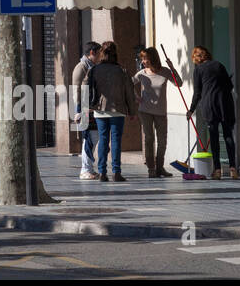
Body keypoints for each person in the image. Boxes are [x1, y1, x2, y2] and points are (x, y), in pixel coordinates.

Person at [187, 45, 239, 179]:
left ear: (196, 58)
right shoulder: (219, 65)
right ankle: (233, 168)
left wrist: (191, 109)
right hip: (225, 104)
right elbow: (229, 85)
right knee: (228, 135)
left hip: (210, 105)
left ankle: (217, 170)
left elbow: (197, 93)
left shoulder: (198, 70)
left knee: (214, 138)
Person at [87, 41, 137, 181]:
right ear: (116, 53)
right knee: (116, 140)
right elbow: (129, 92)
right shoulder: (122, 70)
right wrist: (132, 111)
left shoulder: (95, 70)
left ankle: (102, 172)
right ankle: (116, 172)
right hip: (118, 109)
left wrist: (88, 106)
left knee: (103, 139)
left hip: (100, 109)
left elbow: (86, 87)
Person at [133, 47, 173, 178]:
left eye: (145, 58)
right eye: (142, 58)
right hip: (145, 111)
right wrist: (136, 96)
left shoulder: (165, 72)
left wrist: (172, 68)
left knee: (162, 141)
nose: (143, 61)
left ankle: (160, 167)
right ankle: (151, 168)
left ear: (153, 58)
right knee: (149, 139)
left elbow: (179, 83)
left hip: (161, 111)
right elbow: (128, 83)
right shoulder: (142, 73)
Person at [72, 42, 101, 180]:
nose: (101, 56)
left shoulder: (92, 66)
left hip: (91, 107)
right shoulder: (82, 67)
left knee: (93, 137)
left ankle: (89, 168)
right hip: (84, 107)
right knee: (89, 138)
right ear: (92, 53)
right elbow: (76, 89)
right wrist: (79, 110)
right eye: (99, 53)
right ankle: (85, 170)